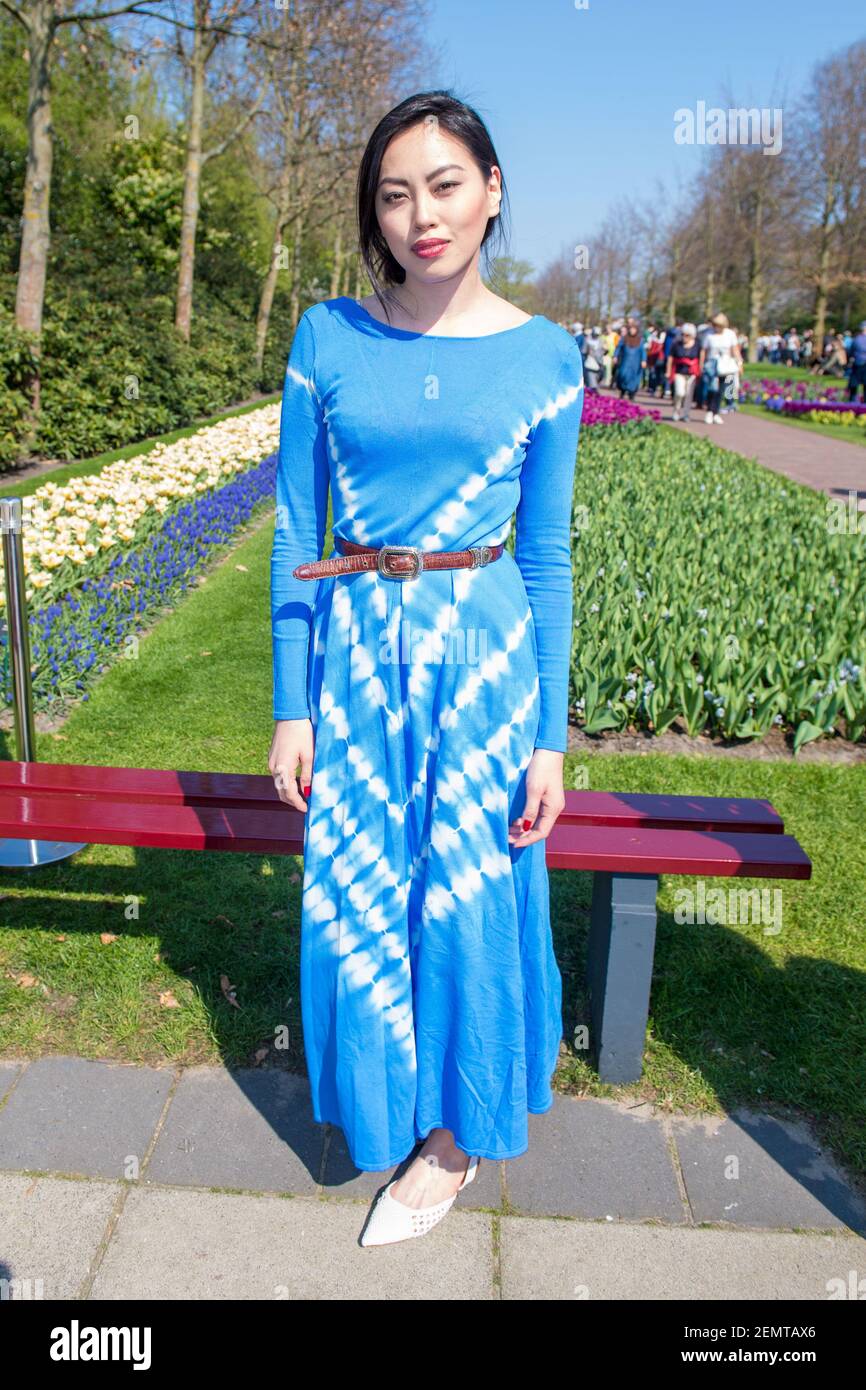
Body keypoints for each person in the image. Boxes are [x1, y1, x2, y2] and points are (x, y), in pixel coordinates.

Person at [268, 90, 584, 1247]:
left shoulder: (548, 354)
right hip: (356, 654)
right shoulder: (326, 338)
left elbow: (545, 557)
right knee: (363, 886)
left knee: (467, 889)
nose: (420, 215)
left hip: (486, 660)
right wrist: (288, 705)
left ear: (490, 189)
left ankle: (456, 1137)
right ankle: (387, 1102)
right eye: (394, 194)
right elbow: (296, 531)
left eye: (444, 184)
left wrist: (551, 734)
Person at [699, 310, 742, 424]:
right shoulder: (709, 334)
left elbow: (735, 350)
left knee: (721, 390)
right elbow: (704, 350)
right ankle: (709, 411)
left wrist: (739, 363)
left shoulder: (730, 334)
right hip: (711, 365)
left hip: (725, 365)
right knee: (711, 389)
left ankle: (716, 412)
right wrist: (701, 365)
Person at [666, 322, 701, 421]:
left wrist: (700, 371)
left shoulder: (697, 345)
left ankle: (686, 414)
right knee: (680, 393)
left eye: (687, 335)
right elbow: (671, 358)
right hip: (679, 372)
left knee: (689, 395)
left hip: (692, 373)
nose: (684, 337)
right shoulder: (676, 345)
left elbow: (700, 358)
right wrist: (668, 371)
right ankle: (676, 410)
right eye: (683, 334)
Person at [612, 316, 646, 399]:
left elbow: (643, 351)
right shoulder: (624, 338)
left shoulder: (640, 340)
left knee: (634, 378)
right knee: (623, 375)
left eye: (634, 329)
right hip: (625, 361)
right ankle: (622, 391)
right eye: (631, 329)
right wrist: (615, 356)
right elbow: (618, 348)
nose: (632, 331)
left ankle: (632, 394)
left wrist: (644, 360)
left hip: (636, 362)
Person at [847, 321, 866, 403]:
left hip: (857, 363)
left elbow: (850, 352)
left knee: (854, 385)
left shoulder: (856, 339)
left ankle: (852, 403)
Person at [583, 325, 604, 394]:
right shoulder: (587, 340)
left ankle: (593, 388)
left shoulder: (601, 341)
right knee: (590, 375)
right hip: (590, 361)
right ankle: (593, 389)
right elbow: (584, 351)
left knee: (598, 376)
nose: (596, 335)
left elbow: (602, 351)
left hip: (599, 362)